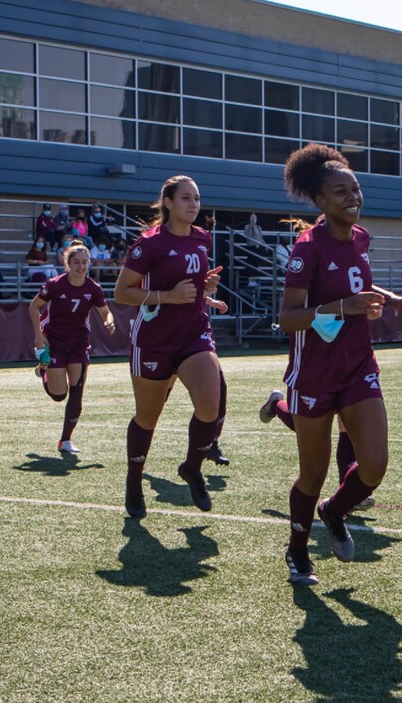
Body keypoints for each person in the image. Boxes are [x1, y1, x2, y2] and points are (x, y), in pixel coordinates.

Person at [276, 143, 402, 585]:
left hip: (358, 366)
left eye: (355, 189)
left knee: (374, 465)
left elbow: (360, 285)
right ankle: (298, 551)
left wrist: (388, 297)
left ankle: (334, 511)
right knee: (312, 474)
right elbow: (287, 318)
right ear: (320, 202)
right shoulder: (307, 247)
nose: (352, 197)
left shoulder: (361, 238)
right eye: (341, 192)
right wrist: (341, 307)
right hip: (314, 372)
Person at [113, 175, 225, 517]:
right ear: (168, 203)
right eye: (186, 198)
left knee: (211, 406)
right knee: (148, 417)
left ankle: (192, 467)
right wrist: (169, 296)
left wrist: (206, 288)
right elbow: (122, 293)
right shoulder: (149, 244)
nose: (193, 205)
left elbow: (191, 282)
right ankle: (134, 480)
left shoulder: (203, 238)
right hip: (153, 341)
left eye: (197, 198)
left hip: (194, 334)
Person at [29, 243, 115, 454]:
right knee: (59, 395)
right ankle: (44, 368)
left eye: (84, 262)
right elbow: (34, 305)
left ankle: (65, 440)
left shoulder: (93, 288)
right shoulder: (55, 284)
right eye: (76, 262)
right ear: (67, 264)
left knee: (77, 391)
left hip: (79, 343)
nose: (81, 266)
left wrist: (109, 321)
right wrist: (38, 335)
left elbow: (105, 311)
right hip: (55, 342)